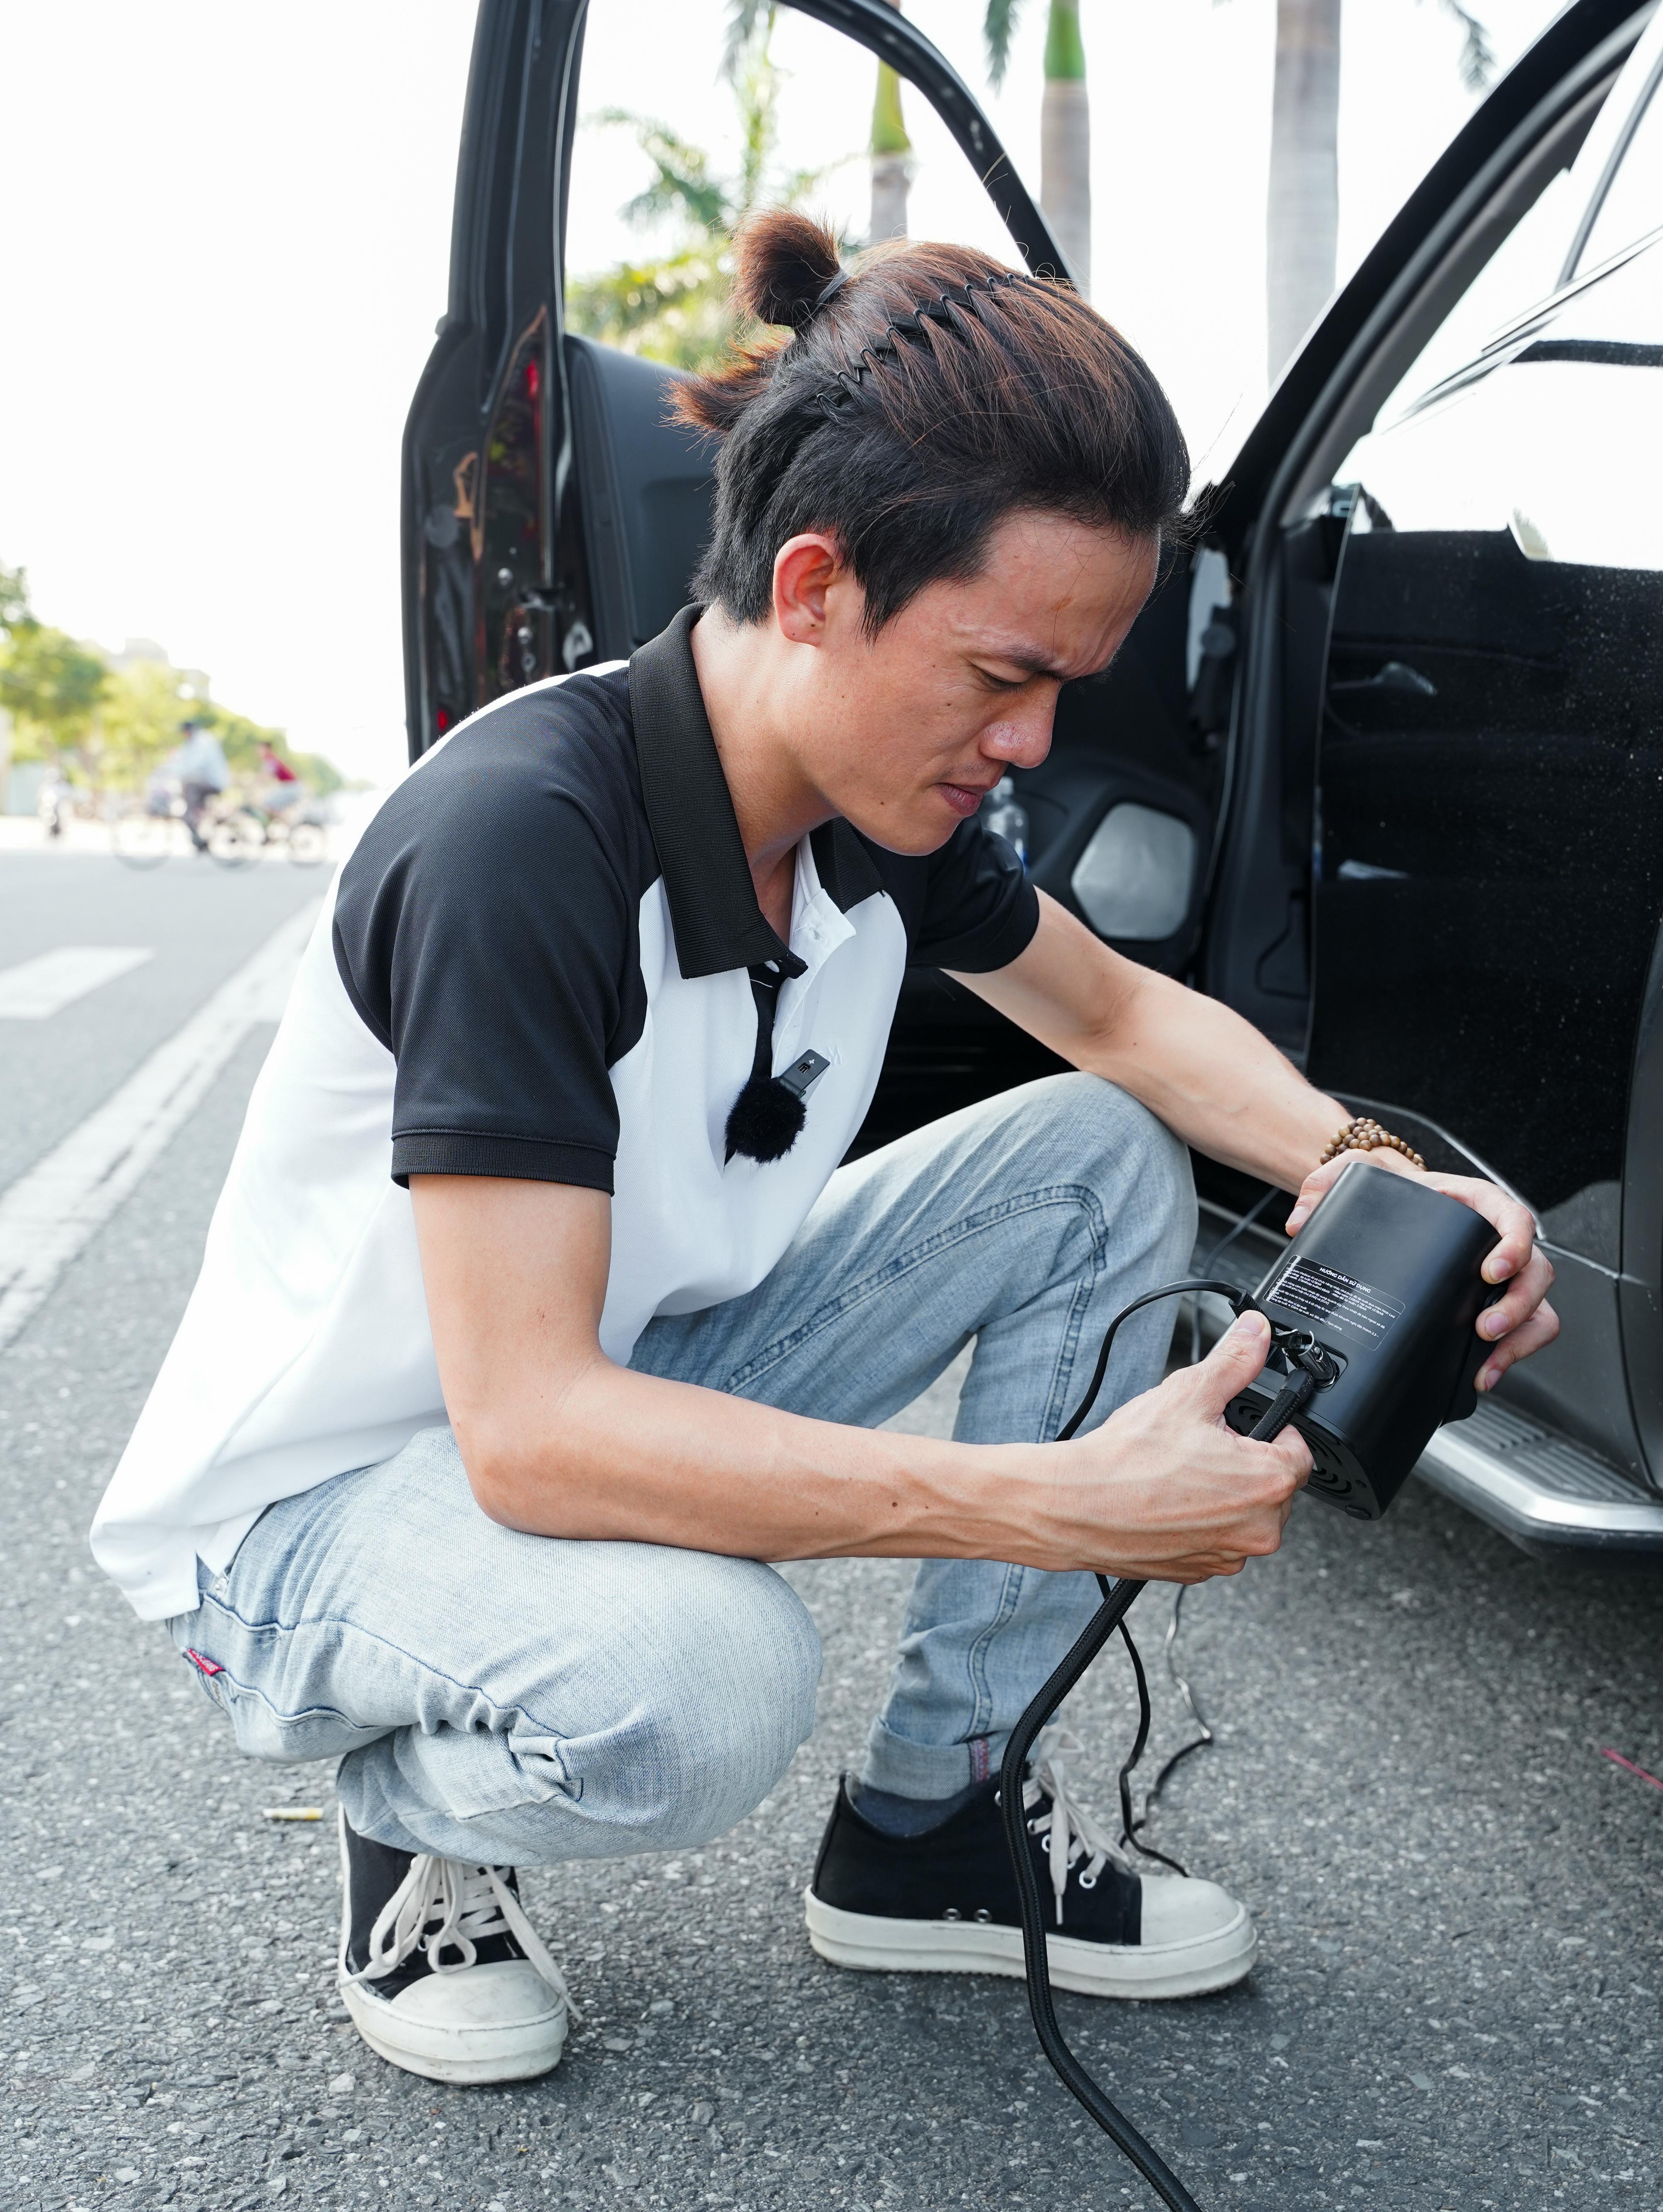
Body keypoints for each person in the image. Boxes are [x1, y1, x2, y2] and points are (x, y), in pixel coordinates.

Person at [92, 216, 1556, 2091]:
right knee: (702, 1680)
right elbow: (531, 1427)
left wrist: (1390, 1172)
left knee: (1095, 1150)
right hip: (327, 1503)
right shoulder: (519, 840)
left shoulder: (882, 799)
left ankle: (937, 1822)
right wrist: (1060, 1500)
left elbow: (1116, 1022)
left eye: (1066, 691)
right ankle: (420, 1806)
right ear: (810, 585)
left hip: (592, 1384)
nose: (1026, 742)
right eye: (997, 675)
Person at [160, 717, 231, 850]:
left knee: (190, 789)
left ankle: (192, 818)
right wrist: (165, 770)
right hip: (205, 781)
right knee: (190, 790)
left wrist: (176, 772)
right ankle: (198, 830)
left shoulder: (203, 742)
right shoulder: (191, 743)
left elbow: (193, 765)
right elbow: (179, 760)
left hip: (214, 782)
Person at [258, 741, 303, 818]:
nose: (258, 751)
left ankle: (278, 825)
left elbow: (266, 775)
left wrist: (254, 783)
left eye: (261, 749)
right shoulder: (272, 759)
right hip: (293, 787)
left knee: (268, 803)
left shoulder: (271, 759)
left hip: (291, 787)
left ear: (267, 749)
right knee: (275, 808)